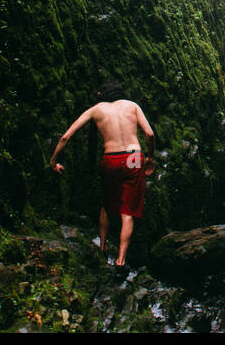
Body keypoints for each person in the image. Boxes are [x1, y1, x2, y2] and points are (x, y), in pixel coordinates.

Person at [49, 80, 155, 271]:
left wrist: (53, 160)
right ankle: (121, 261)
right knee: (128, 211)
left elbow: (66, 136)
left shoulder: (96, 110)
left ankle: (103, 246)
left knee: (107, 204)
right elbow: (149, 134)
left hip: (111, 158)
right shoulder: (132, 106)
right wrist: (150, 157)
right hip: (133, 156)